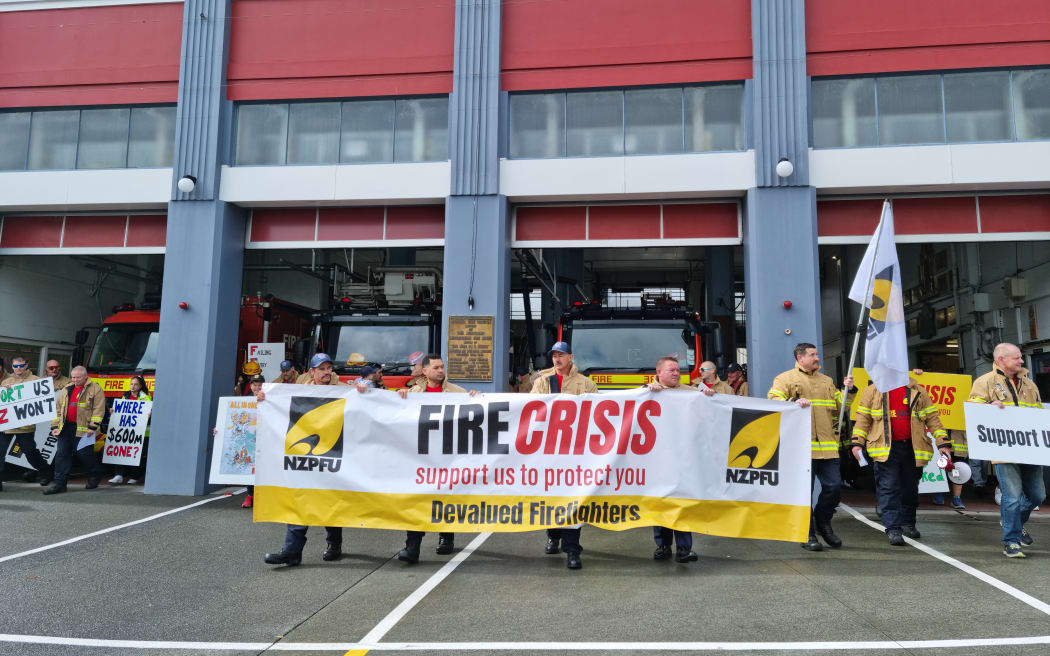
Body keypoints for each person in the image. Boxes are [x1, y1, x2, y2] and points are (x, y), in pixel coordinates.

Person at [259, 353, 367, 566]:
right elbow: (276, 409)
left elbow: (366, 401)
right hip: (305, 456)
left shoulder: (345, 389)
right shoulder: (297, 391)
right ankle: (291, 551)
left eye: (329, 368)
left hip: (334, 452)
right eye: (322, 369)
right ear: (312, 372)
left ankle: (334, 544)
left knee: (330, 501)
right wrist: (264, 399)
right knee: (300, 499)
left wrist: (363, 390)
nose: (327, 372)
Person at [768, 343, 855, 551]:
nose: (817, 358)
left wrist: (849, 391)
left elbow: (840, 408)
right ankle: (807, 535)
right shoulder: (785, 379)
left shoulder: (827, 381)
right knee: (803, 494)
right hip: (801, 449)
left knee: (834, 488)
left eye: (817, 354)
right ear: (800, 358)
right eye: (813, 355)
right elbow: (773, 399)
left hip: (827, 448)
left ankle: (822, 522)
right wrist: (793, 401)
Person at [394, 354, 480, 563]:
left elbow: (476, 408)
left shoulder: (457, 393)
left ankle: (446, 537)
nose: (441, 371)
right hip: (422, 456)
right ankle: (412, 547)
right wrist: (398, 396)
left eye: (442, 367)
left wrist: (475, 397)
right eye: (436, 367)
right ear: (424, 371)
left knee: (446, 498)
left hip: (447, 455)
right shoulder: (412, 393)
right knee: (418, 500)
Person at [850, 378, 950, 546]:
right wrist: (857, 442)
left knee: (910, 488)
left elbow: (933, 418)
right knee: (889, 488)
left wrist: (943, 443)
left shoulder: (918, 389)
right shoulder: (873, 390)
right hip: (886, 449)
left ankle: (908, 523)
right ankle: (893, 528)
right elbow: (862, 419)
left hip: (913, 447)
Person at [968, 342, 1044, 559]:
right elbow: (973, 410)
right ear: (1001, 359)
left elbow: (1037, 414)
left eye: (1021, 357)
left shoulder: (1029, 385)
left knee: (1038, 495)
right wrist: (987, 408)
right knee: (1011, 497)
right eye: (1017, 358)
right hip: (1003, 449)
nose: (1021, 361)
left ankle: (1015, 522)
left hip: (1030, 448)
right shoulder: (985, 382)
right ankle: (1011, 541)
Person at [529, 341, 598, 570]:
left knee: (572, 501)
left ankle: (572, 550)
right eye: (554, 355)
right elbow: (529, 409)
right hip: (549, 451)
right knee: (551, 498)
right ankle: (553, 535)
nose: (557, 359)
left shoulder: (585, 384)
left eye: (561, 355)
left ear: (570, 357)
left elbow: (597, 412)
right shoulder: (542, 382)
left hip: (576, 452)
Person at [646, 356, 708, 564]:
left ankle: (683, 548)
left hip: (683, 459)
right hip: (658, 459)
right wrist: (649, 390)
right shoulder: (647, 392)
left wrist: (709, 395)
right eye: (671, 370)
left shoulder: (691, 393)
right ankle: (662, 546)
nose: (676, 373)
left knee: (682, 503)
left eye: (677, 370)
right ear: (659, 373)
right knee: (660, 503)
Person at [45, 366, 105, 495]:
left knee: (85, 454)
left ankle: (95, 475)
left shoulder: (95, 388)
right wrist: (55, 427)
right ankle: (59, 484)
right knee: (61, 455)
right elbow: (58, 409)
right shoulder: (67, 389)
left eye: (78, 377)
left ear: (85, 376)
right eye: (73, 377)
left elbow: (98, 409)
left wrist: (93, 427)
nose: (75, 379)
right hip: (65, 428)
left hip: (84, 429)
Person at [1, 358, 54, 491]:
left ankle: (46, 472)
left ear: (26, 366)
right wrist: (3, 390)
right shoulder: (6, 381)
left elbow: (43, 401)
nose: (18, 368)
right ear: (12, 367)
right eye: (15, 366)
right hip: (6, 426)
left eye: (21, 365)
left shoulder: (35, 380)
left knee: (30, 452)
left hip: (25, 428)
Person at [108, 375, 152, 486]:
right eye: (131, 384)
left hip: (141, 431)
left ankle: (135, 476)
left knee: (136, 453)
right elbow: (121, 410)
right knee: (120, 449)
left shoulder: (146, 397)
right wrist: (114, 410)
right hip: (125, 430)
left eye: (135, 384)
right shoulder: (125, 395)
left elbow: (149, 409)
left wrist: (150, 413)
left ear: (141, 386)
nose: (132, 386)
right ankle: (118, 475)